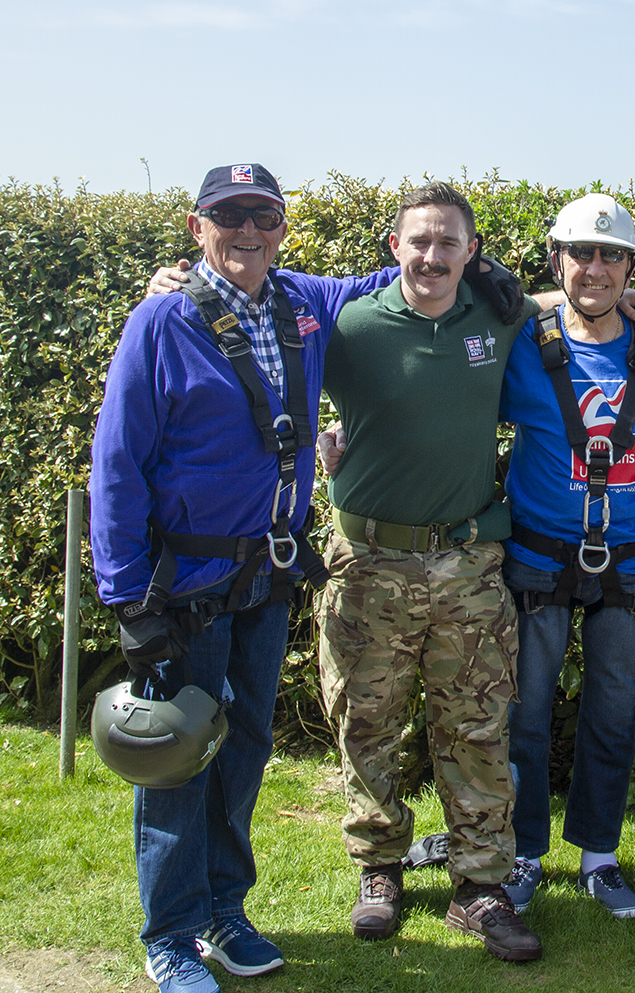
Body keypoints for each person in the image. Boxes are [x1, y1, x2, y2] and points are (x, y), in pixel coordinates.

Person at [90, 163, 400, 993]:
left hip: (267, 577)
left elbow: (408, 268)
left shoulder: (303, 301)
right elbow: (116, 465)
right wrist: (125, 596)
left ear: (283, 226)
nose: (248, 231)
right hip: (182, 587)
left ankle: (226, 911)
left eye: (263, 215)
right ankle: (173, 934)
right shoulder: (159, 320)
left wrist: (583, 297)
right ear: (198, 228)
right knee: (176, 757)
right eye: (229, 216)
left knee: (246, 749)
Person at [316, 180, 544, 961]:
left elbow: (581, 301)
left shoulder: (500, 316)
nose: (432, 255)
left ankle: (481, 887)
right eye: (418, 240)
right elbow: (262, 346)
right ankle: (378, 867)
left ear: (472, 252)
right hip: (368, 564)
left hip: (468, 565)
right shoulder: (348, 327)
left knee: (476, 727)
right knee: (366, 721)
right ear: (393, 248)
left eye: (449, 241)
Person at [496, 194, 635, 919]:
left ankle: (600, 857)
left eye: (612, 256)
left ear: (632, 267)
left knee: (611, 711)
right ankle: (522, 852)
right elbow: (458, 300)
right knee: (527, 712)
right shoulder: (521, 342)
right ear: (556, 260)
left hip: (632, 557)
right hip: (539, 554)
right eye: (581, 252)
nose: (596, 267)